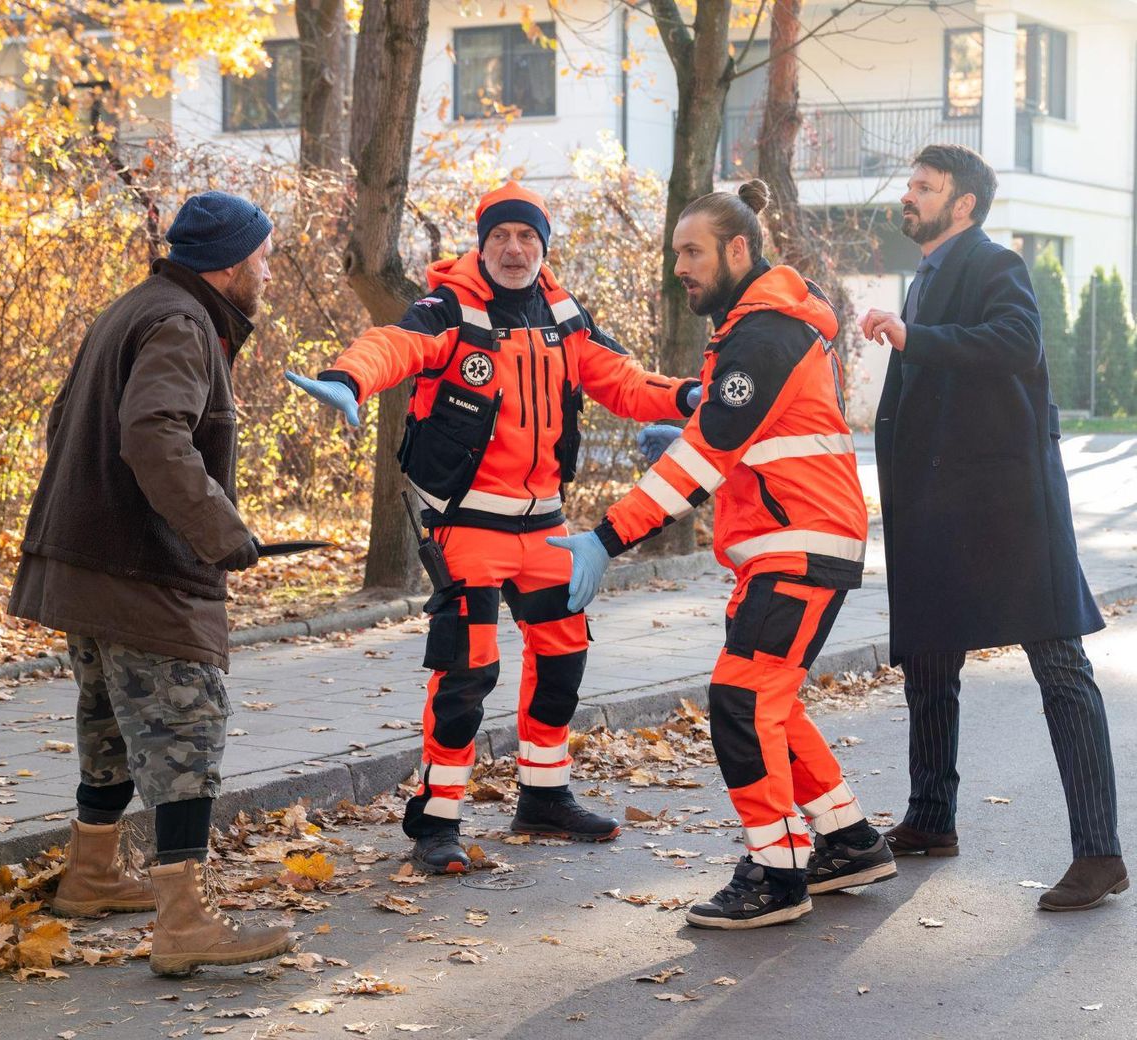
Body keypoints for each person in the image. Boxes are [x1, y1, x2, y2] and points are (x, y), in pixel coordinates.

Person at [288, 181, 702, 874]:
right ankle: (436, 821)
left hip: (545, 528)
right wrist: (348, 379)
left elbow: (625, 382)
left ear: (543, 247)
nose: (514, 249)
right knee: (466, 674)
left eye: (527, 237)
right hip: (468, 525)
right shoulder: (449, 308)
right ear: (482, 246)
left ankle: (544, 797)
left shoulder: (565, 316)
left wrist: (688, 394)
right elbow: (393, 344)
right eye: (501, 236)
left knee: (563, 658)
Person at [551, 179, 896, 930]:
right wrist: (691, 424)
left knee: (740, 702)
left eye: (693, 252)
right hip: (792, 541)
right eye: (676, 252)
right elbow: (732, 428)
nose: (680, 266)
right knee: (769, 702)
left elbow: (706, 456)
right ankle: (848, 840)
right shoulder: (758, 325)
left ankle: (777, 873)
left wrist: (606, 538)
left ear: (737, 249)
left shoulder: (765, 332)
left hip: (798, 543)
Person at [9, 191, 293, 975]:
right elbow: (152, 435)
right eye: (263, 258)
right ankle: (184, 922)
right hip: (141, 570)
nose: (268, 272)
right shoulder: (182, 321)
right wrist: (220, 531)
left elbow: (64, 419)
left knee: (107, 721)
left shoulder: (137, 306)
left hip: (88, 562)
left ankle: (93, 873)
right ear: (230, 264)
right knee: (187, 726)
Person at [859, 144, 1127, 912]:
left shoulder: (994, 263)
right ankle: (931, 816)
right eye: (911, 184)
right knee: (929, 657)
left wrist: (914, 338)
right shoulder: (927, 274)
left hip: (1009, 505)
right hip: (939, 505)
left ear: (964, 203)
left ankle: (1099, 853)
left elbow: (1016, 343)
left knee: (1060, 667)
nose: (909, 195)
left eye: (925, 187)